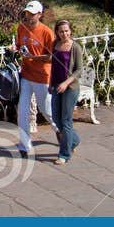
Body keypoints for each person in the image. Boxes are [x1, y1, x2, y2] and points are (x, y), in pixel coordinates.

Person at [14, 0, 56, 157]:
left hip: (42, 77)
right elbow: (19, 46)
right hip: (26, 75)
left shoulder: (46, 32)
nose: (29, 17)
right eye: (27, 13)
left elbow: (52, 57)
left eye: (32, 14)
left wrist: (34, 57)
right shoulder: (21, 28)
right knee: (22, 111)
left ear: (39, 15)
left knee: (46, 111)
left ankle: (62, 133)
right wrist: (15, 49)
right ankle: (25, 145)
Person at [49, 19, 84, 165]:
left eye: (66, 31)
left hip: (70, 88)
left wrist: (66, 83)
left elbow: (79, 70)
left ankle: (64, 154)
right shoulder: (55, 45)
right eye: (61, 31)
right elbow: (53, 66)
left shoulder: (75, 47)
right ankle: (74, 140)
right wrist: (51, 83)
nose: (64, 34)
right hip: (56, 86)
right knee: (56, 119)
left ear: (70, 31)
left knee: (66, 120)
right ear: (57, 32)